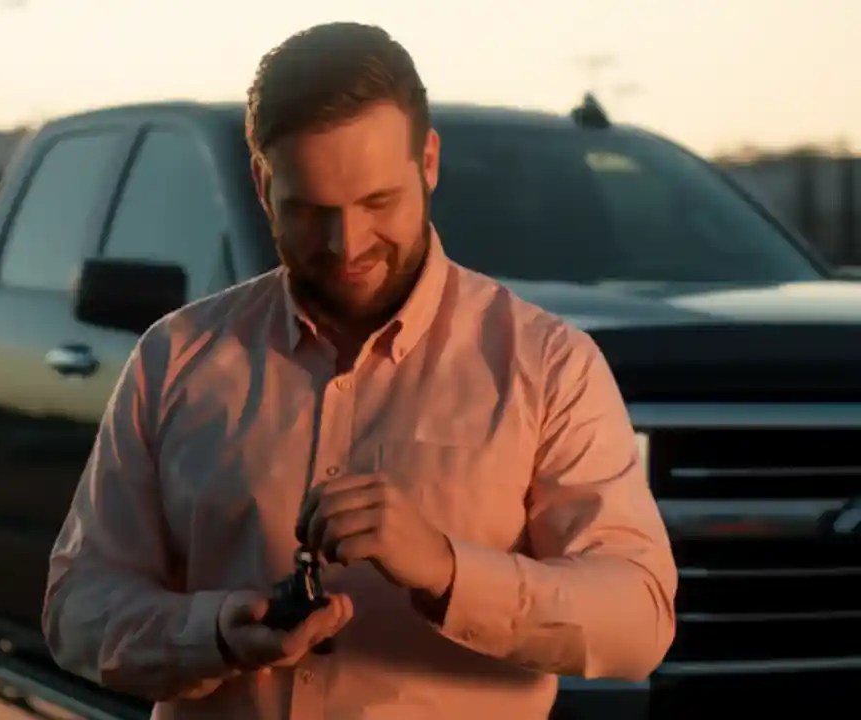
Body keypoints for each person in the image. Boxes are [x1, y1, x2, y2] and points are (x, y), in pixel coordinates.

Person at [42, 21, 677, 719]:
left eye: (379, 203)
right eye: (311, 213)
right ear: (262, 183)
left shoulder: (548, 365)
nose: (346, 246)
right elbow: (79, 609)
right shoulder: (177, 358)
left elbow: (638, 620)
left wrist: (446, 569)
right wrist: (213, 634)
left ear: (428, 162)